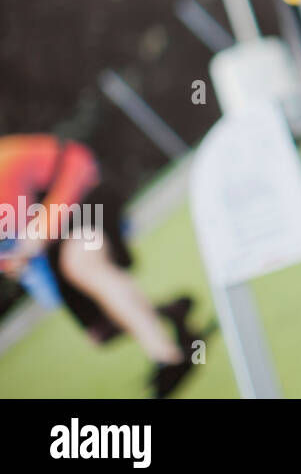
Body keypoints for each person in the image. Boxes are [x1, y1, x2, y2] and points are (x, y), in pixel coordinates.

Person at [0, 134, 202, 397]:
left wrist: (33, 241)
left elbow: (76, 164)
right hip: (56, 234)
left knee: (82, 262)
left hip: (85, 193)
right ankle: (170, 312)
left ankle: (169, 357)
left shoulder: (5, 163)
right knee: (101, 332)